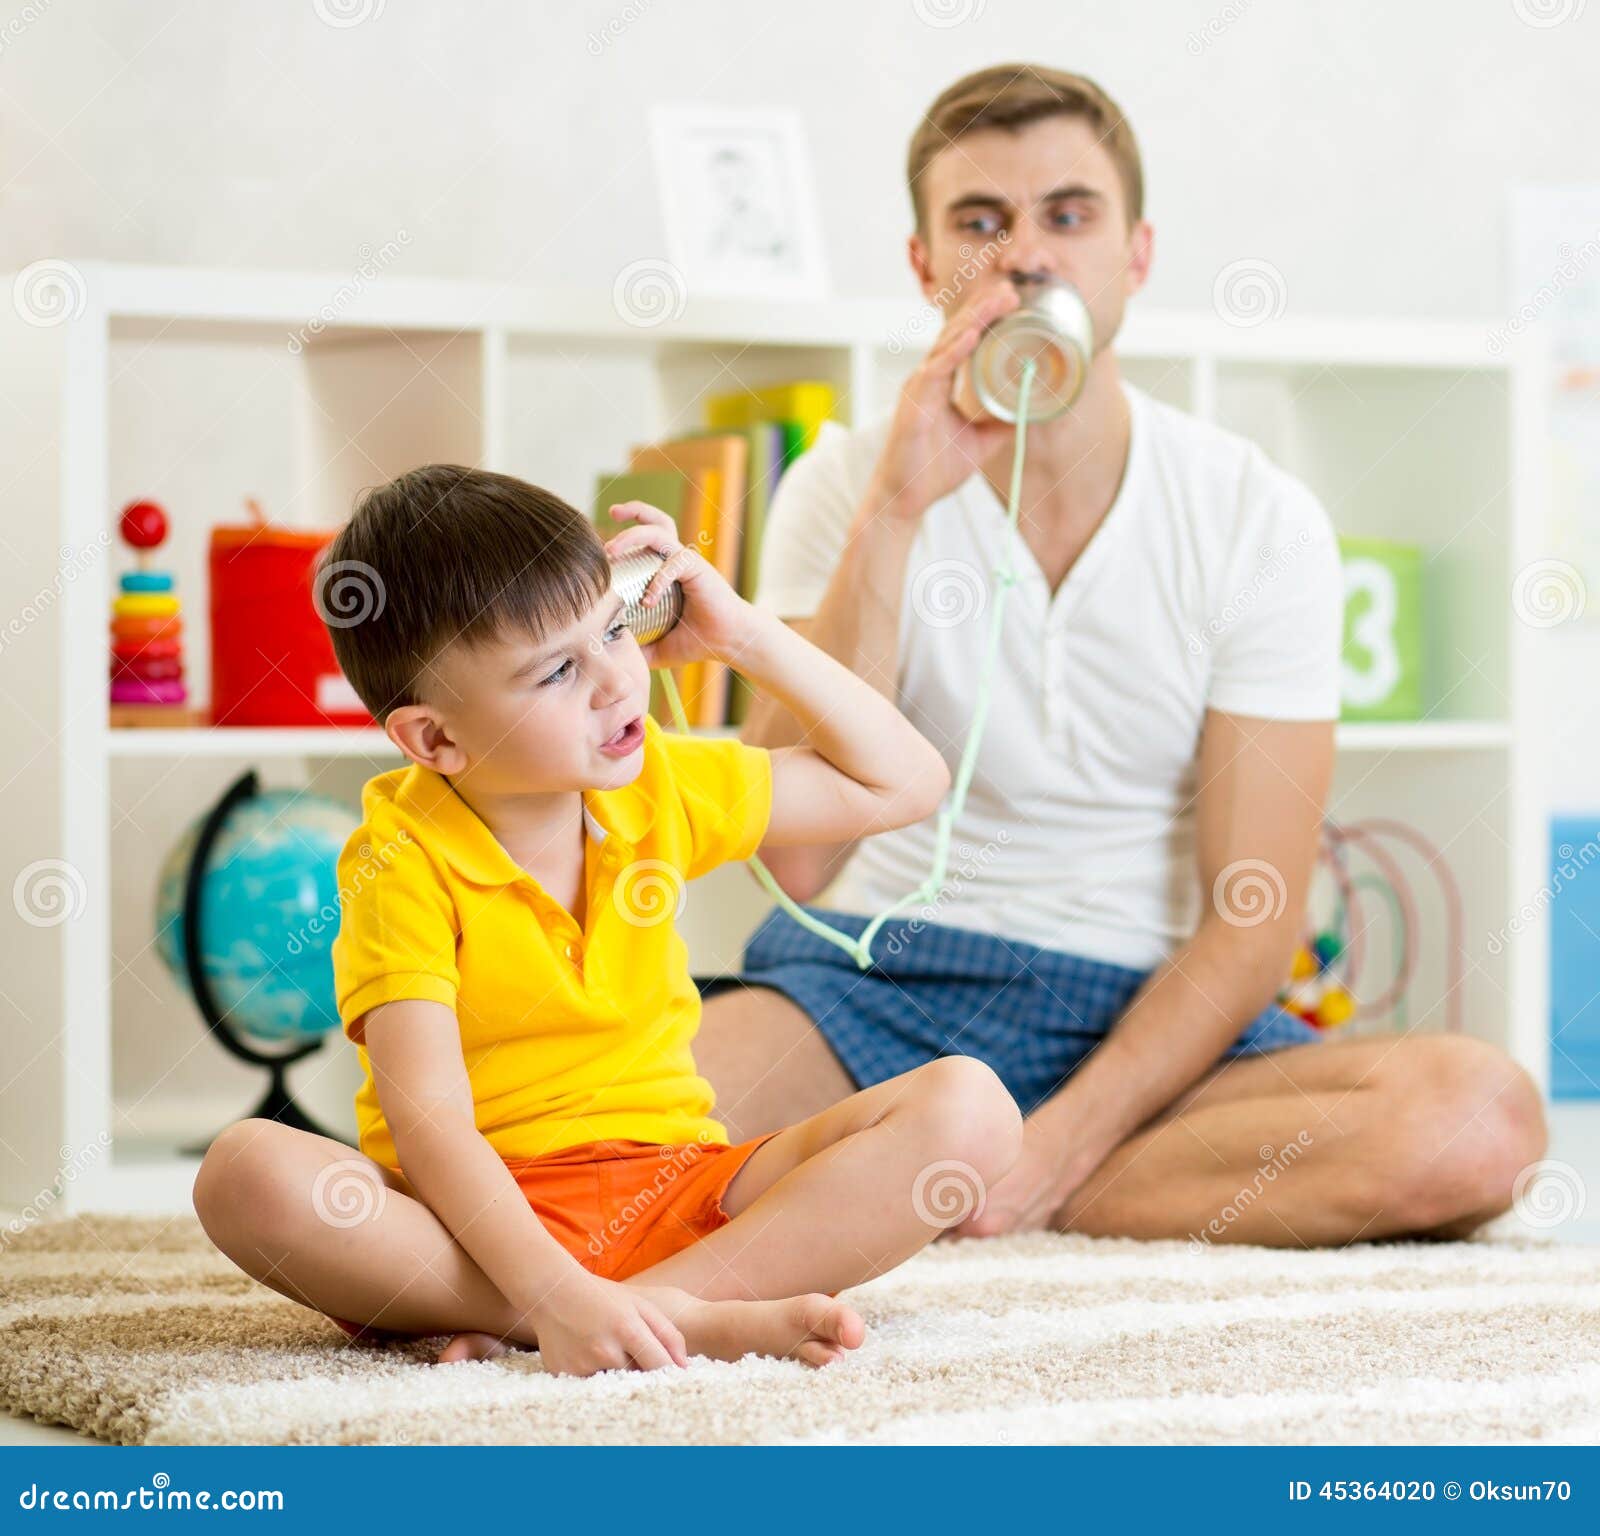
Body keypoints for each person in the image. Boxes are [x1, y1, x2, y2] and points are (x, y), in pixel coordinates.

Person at [695, 63, 1546, 1246]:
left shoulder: (1256, 516)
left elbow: (1252, 923)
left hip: (1154, 1029)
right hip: (872, 993)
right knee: (615, 1119)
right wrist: (894, 508)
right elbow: (789, 857)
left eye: (1069, 214)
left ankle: (993, 1183)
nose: (1027, 255)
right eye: (980, 223)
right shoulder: (842, 485)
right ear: (923, 265)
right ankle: (958, 1164)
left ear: (1134, 256)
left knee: (1479, 1119)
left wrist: (1056, 1145)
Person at [192, 465, 1021, 1374]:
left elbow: (906, 781)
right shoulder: (400, 859)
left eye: (616, 629)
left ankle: (628, 1313)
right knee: (245, 1174)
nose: (616, 682)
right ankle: (620, 1315)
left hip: (682, 1187)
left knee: (972, 1110)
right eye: (556, 671)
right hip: (477, 1224)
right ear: (435, 741)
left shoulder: (659, 783)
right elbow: (430, 1127)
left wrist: (742, 634)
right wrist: (552, 1286)